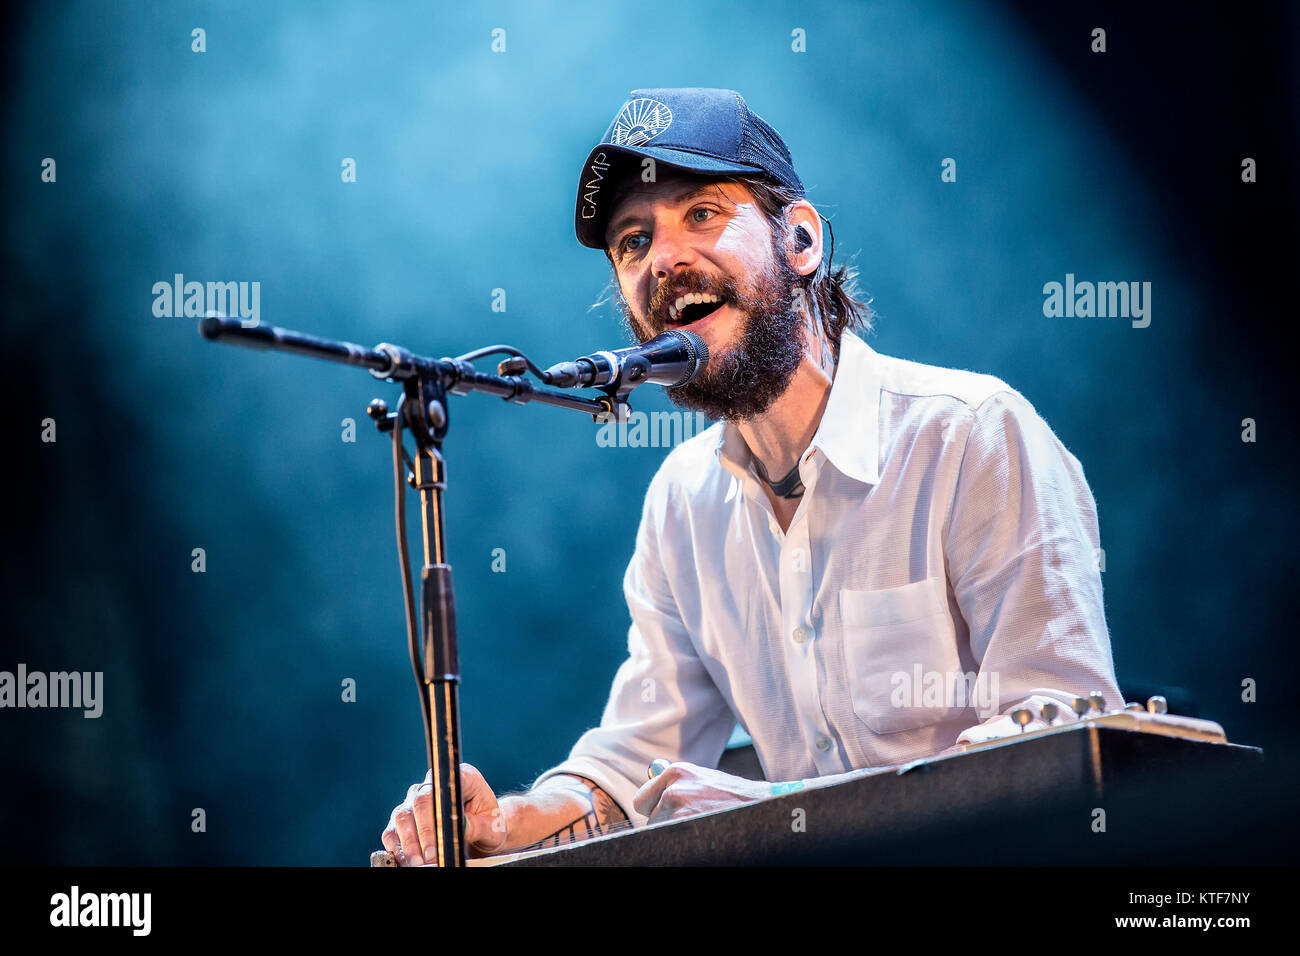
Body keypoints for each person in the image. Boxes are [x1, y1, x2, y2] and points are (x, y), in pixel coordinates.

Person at [382, 88, 1123, 865]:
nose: (664, 258)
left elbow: (1067, 741)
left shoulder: (971, 435)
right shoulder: (681, 503)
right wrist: (501, 822)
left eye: (702, 213)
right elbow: (630, 770)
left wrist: (781, 812)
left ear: (800, 240)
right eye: (633, 241)